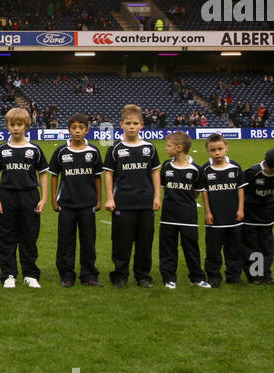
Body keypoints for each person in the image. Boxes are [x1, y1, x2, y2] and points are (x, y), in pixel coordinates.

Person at [102, 104, 161, 288]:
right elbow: (109, 174)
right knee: (121, 242)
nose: (132, 126)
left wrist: (157, 196)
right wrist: (110, 198)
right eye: (128, 123)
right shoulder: (115, 148)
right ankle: (120, 275)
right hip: (123, 202)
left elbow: (155, 173)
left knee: (144, 242)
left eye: (135, 123)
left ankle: (143, 276)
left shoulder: (149, 148)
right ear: (121, 124)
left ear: (142, 124)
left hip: (145, 202)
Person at [0, 107, 47, 289]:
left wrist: (44, 198)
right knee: (7, 237)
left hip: (29, 195)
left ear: (27, 126)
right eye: (12, 124)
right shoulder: (2, 150)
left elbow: (43, 174)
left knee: (29, 236)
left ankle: (30, 274)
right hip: (7, 196)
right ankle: (8, 274)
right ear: (7, 126)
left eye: (19, 124)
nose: (16, 128)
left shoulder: (34, 149)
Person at [45, 113, 103, 287]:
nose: (77, 131)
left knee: (88, 241)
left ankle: (89, 275)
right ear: (69, 129)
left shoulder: (93, 151)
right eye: (74, 127)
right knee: (65, 242)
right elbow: (54, 176)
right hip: (67, 204)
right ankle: (66, 275)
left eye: (81, 128)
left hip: (88, 204)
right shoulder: (61, 151)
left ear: (87, 130)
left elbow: (98, 178)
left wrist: (99, 199)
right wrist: (54, 200)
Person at [157, 131, 209, 289]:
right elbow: (164, 187)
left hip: (188, 214)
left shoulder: (196, 169)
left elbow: (197, 192)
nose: (166, 148)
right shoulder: (166, 166)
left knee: (191, 247)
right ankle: (169, 278)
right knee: (168, 248)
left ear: (179, 148)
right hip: (168, 214)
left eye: (169, 145)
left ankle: (197, 277)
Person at [201, 134, 246, 287]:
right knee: (213, 250)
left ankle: (234, 275)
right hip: (215, 218)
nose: (217, 153)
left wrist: (241, 209)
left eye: (220, 149)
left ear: (226, 147)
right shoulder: (205, 170)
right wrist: (208, 212)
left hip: (234, 216)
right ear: (208, 151)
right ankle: (213, 276)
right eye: (213, 150)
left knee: (234, 249)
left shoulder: (235, 167)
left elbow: (240, 189)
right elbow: (204, 192)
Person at [241, 148, 274, 285]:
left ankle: (266, 274)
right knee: (251, 246)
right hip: (250, 215)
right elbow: (240, 192)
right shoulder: (252, 173)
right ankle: (254, 275)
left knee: (266, 246)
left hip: (267, 213)